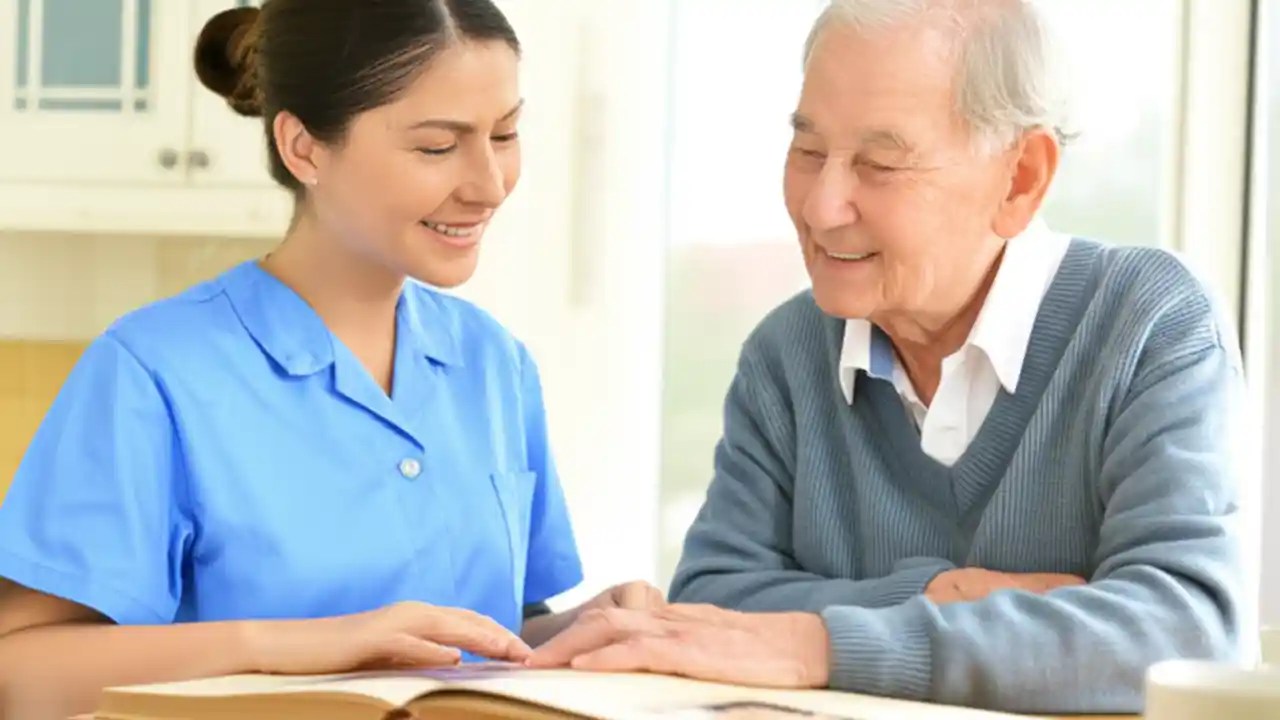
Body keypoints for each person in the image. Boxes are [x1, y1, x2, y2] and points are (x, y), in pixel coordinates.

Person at [528, 0, 1253, 713]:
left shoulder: (1150, 323)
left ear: (1020, 178)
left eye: (880, 163)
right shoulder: (787, 354)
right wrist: (943, 594)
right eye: (807, 151)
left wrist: (817, 644)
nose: (821, 206)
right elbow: (712, 606)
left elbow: (1186, 633)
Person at [0, 1, 660, 716]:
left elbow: (490, 633)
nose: (489, 184)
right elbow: (22, 673)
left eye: (504, 134)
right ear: (305, 148)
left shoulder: (495, 365)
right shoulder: (152, 373)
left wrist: (587, 629)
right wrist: (279, 645)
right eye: (438, 147)